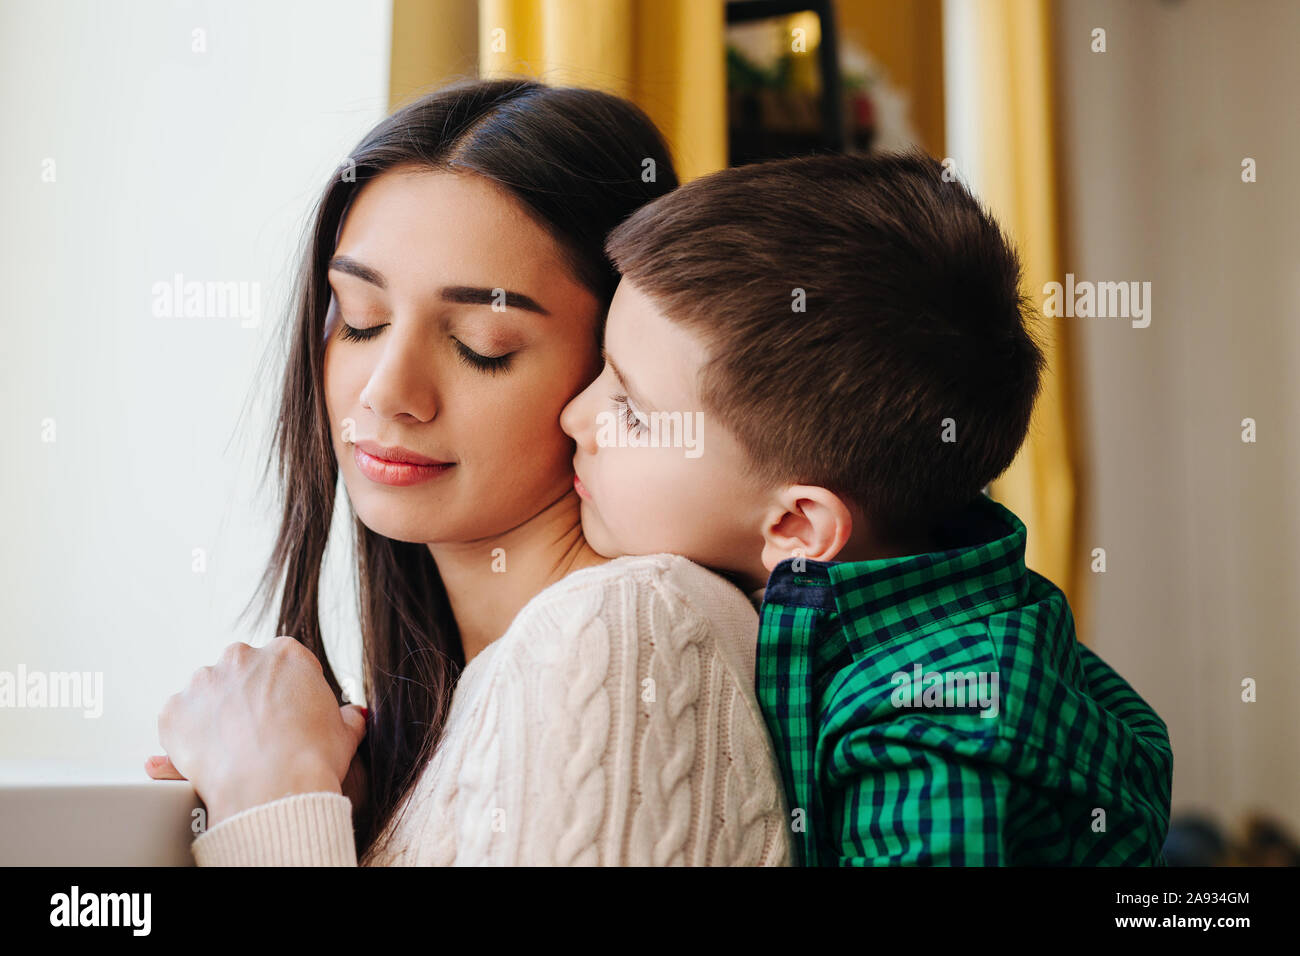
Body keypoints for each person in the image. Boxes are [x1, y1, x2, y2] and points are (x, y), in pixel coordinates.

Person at [147, 79, 793, 867]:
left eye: (483, 345)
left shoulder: (624, 632)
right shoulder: (490, 685)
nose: (388, 392)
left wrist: (272, 798)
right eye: (360, 320)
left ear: (615, 362)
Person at [560, 149, 1175, 865]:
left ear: (796, 526)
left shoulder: (933, 730)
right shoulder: (906, 558)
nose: (576, 415)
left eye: (632, 412)